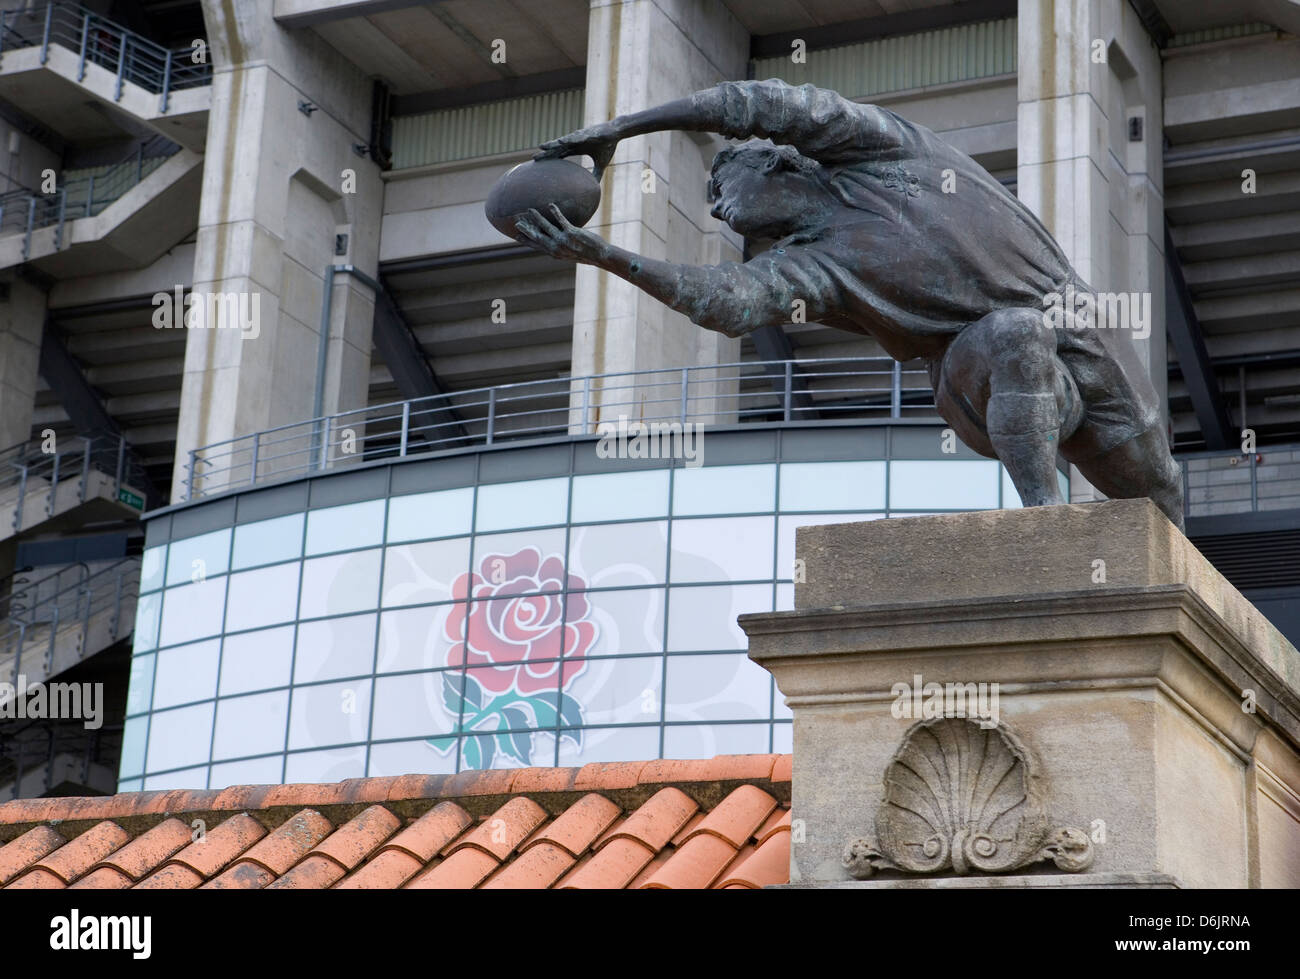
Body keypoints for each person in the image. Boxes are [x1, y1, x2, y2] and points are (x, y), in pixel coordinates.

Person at [516, 78, 1184, 529]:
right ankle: (1046, 527)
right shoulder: (812, 266)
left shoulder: (878, 149)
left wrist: (626, 127)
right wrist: (603, 254)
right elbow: (725, 301)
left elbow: (763, 102)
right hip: (978, 366)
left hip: (1079, 327)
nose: (718, 207)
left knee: (1160, 488)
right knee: (1016, 333)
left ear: (776, 165)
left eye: (722, 185)